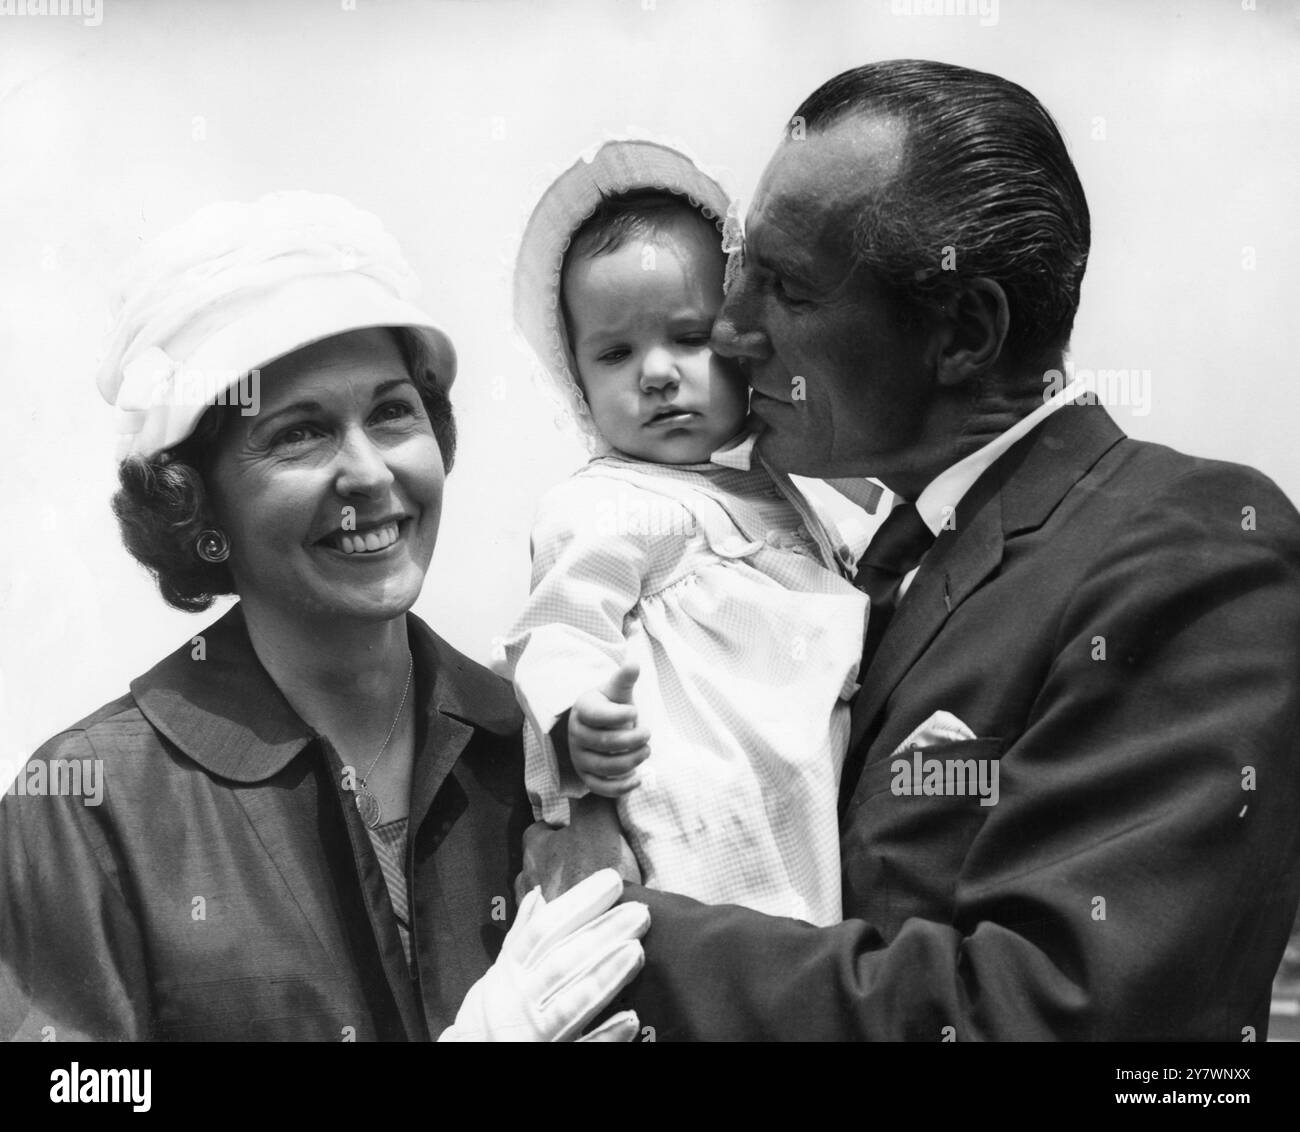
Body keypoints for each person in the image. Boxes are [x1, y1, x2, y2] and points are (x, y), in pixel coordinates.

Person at [522, 61, 1300, 1040]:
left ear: (964, 331)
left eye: (787, 289)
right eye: (740, 272)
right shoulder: (858, 557)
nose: (730, 330)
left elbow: (1050, 1016)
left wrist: (616, 928)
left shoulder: (1194, 551)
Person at [0, 191, 648, 1042]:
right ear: (195, 503)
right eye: (298, 434)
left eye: (391, 413)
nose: (370, 474)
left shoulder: (540, 750)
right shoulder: (90, 804)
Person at [503, 142, 867, 928]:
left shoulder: (782, 496)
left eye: (689, 336)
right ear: (576, 379)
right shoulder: (604, 503)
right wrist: (576, 724)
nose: (657, 373)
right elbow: (561, 626)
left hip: (801, 805)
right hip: (699, 823)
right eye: (615, 352)